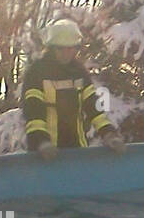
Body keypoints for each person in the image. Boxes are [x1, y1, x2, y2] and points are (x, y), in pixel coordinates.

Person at [22, 19, 126, 159]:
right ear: (51, 47)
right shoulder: (36, 73)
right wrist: (41, 142)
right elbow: (33, 112)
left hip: (77, 152)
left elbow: (93, 108)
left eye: (71, 48)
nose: (67, 53)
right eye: (61, 48)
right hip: (44, 156)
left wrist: (109, 134)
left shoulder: (79, 72)